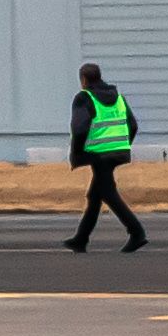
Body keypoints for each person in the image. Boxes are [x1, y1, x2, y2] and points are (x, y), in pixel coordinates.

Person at [66, 62, 149, 253]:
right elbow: (133, 125)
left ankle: (137, 233)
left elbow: (79, 129)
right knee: (95, 195)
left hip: (98, 153)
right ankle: (81, 239)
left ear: (83, 79)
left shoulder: (84, 97)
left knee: (108, 194)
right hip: (118, 150)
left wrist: (77, 154)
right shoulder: (118, 97)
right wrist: (123, 145)